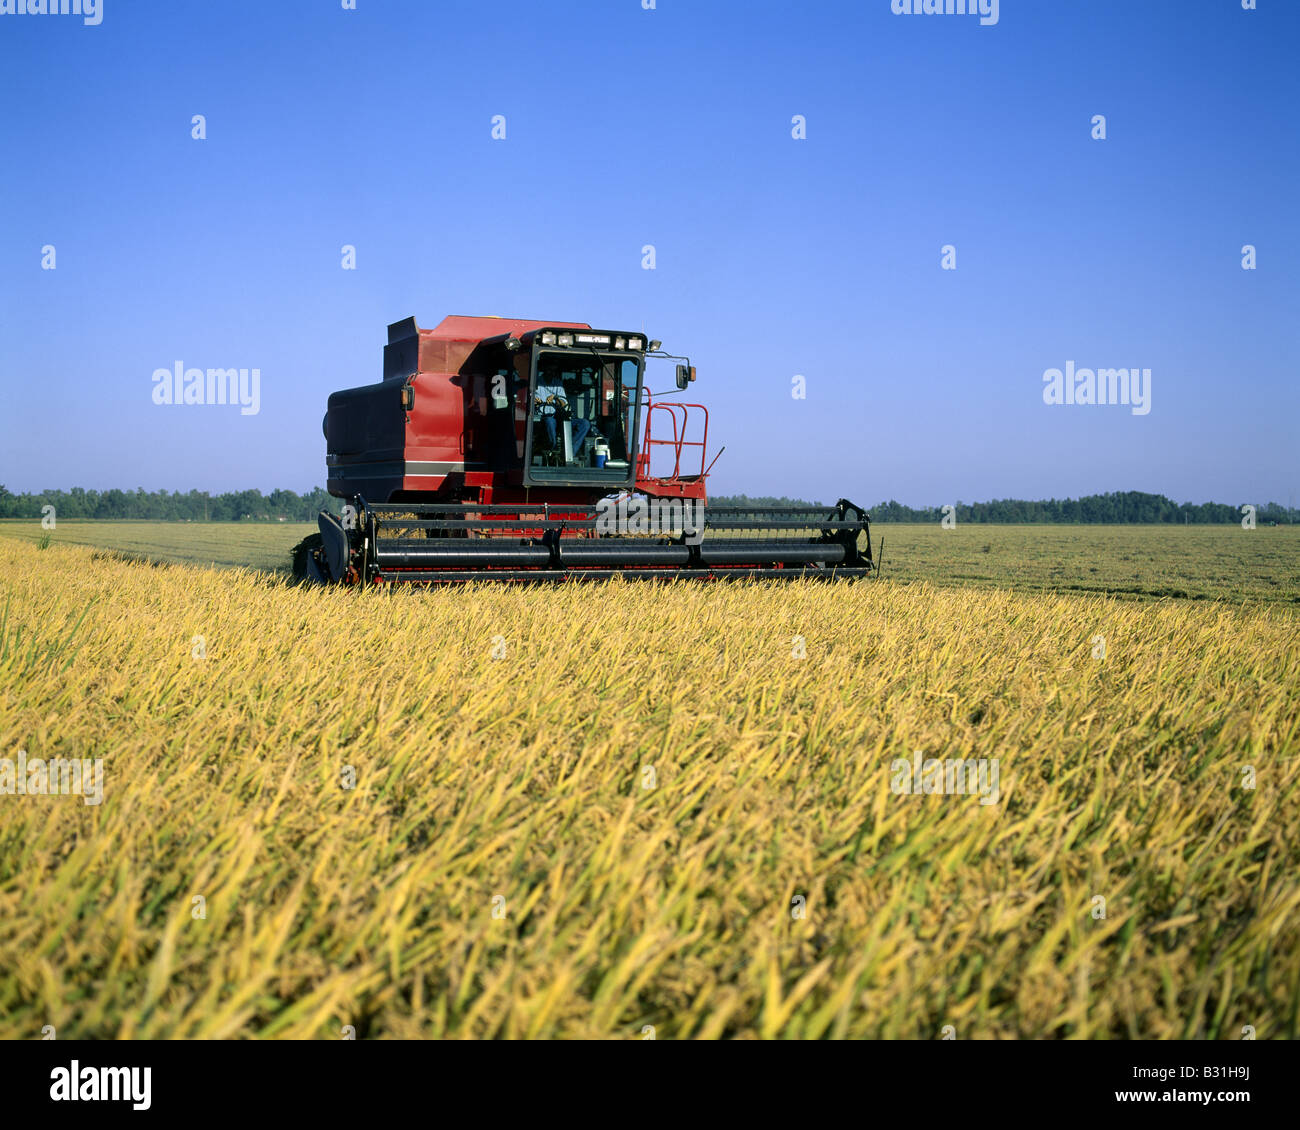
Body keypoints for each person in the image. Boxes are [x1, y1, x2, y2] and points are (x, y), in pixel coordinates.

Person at [534, 376, 591, 457]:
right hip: (544, 417)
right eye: (548, 368)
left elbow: (564, 403)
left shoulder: (558, 383)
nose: (550, 371)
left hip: (560, 417)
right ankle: (552, 450)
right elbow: (529, 398)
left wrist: (556, 398)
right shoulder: (536, 382)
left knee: (585, 423)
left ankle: (570, 452)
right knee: (550, 421)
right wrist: (534, 400)